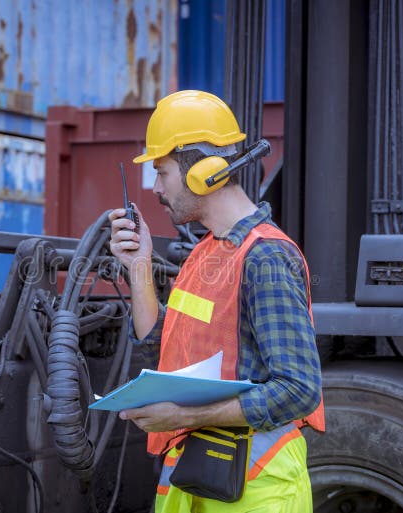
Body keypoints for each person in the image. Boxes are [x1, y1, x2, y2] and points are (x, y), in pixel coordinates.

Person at [108, 90, 324, 513]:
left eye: (162, 172)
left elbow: (299, 391)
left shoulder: (266, 258)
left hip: (256, 487)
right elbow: (161, 344)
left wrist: (185, 417)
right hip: (200, 480)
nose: (156, 188)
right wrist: (139, 264)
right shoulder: (207, 251)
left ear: (203, 172)